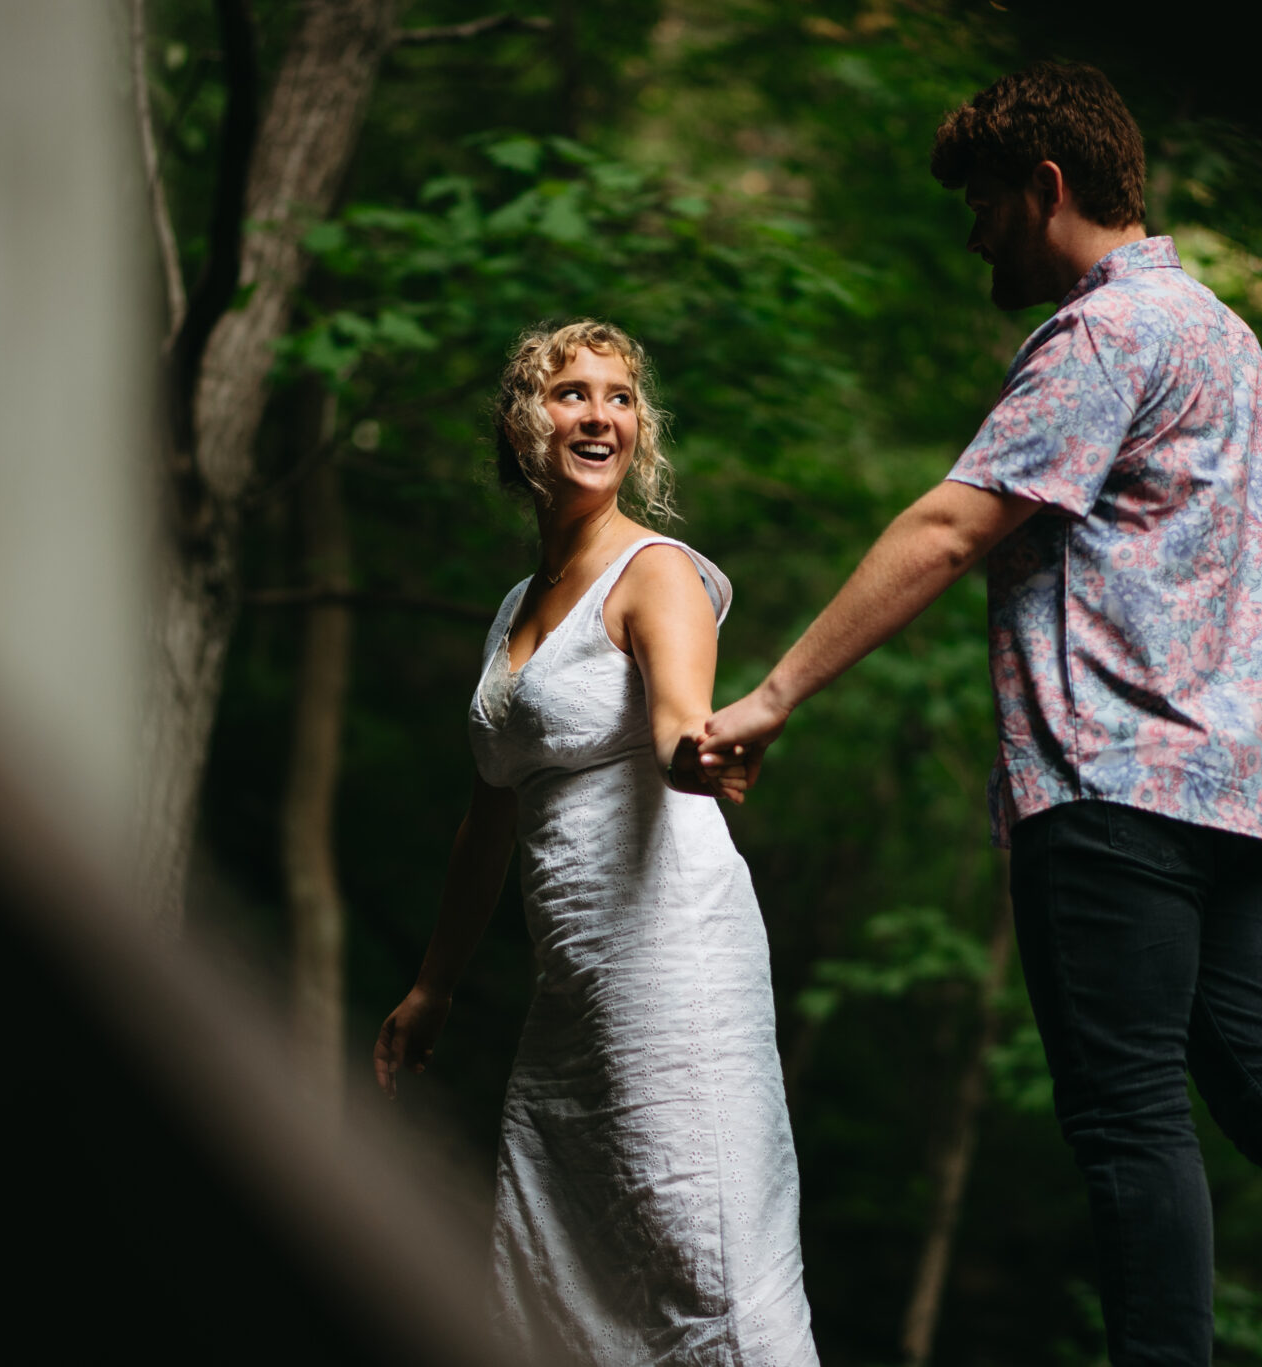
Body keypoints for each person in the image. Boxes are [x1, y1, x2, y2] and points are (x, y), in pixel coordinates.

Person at [698, 62, 1262, 1367]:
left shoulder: (1106, 334)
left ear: (1045, 188)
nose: (972, 231)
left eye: (982, 202)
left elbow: (952, 521)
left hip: (1120, 792)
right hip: (1254, 797)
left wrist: (772, 691)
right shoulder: (1225, 336)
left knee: (1129, 1117)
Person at [373, 320, 819, 1365]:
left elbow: (675, 721)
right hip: (569, 988)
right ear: (524, 425)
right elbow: (489, 810)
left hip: (673, 953)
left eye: (618, 396)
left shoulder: (655, 572)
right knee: (560, 1260)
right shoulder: (513, 610)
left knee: (705, 1247)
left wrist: (701, 754)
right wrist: (433, 984)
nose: (599, 414)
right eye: (570, 392)